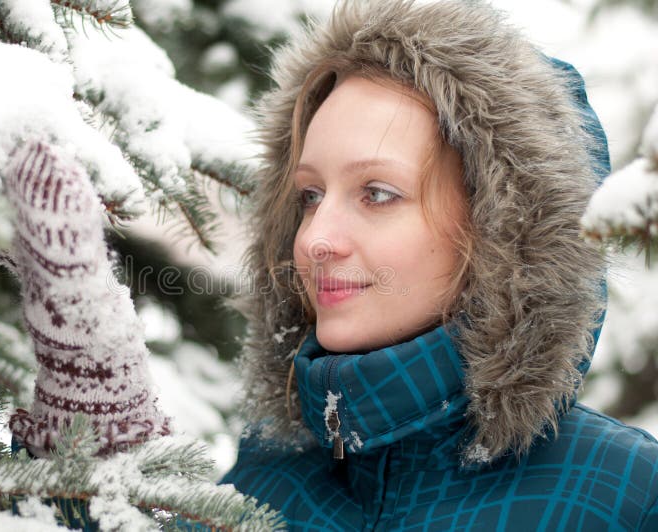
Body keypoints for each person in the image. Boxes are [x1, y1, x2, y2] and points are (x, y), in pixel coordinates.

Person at [219, 0, 658, 530]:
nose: (315, 238)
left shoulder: (624, 495)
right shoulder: (262, 473)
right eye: (310, 195)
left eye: (377, 194)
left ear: (502, 231)